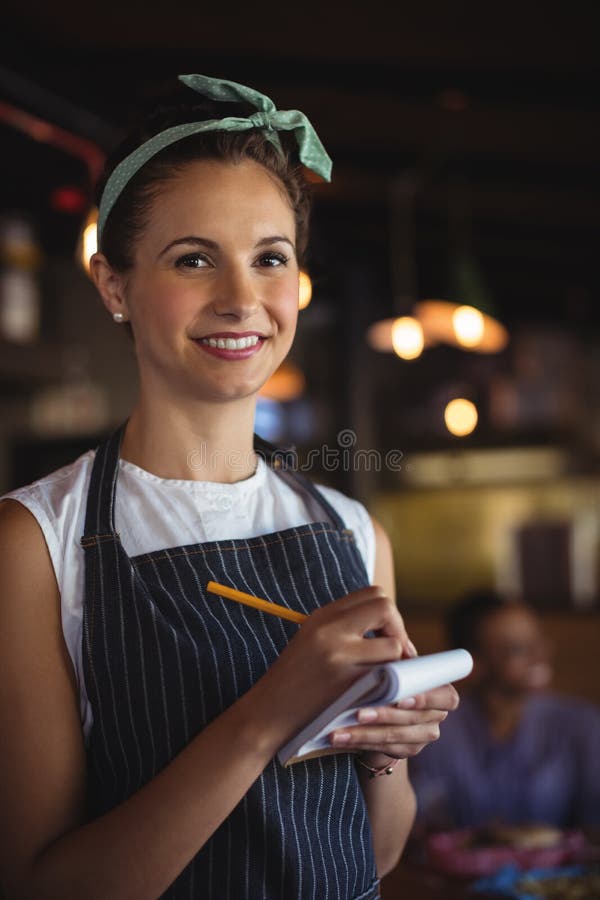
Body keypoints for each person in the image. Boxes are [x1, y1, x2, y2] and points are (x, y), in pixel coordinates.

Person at [0, 74, 459, 900]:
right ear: (114, 285)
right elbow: (42, 886)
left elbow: (378, 855)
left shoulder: (357, 534)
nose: (242, 299)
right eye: (194, 259)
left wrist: (387, 746)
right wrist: (265, 717)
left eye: (270, 259)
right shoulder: (34, 545)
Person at [409, 589, 600, 832]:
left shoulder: (582, 725)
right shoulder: (436, 730)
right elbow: (423, 824)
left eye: (538, 641)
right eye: (517, 649)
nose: (539, 656)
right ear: (473, 663)